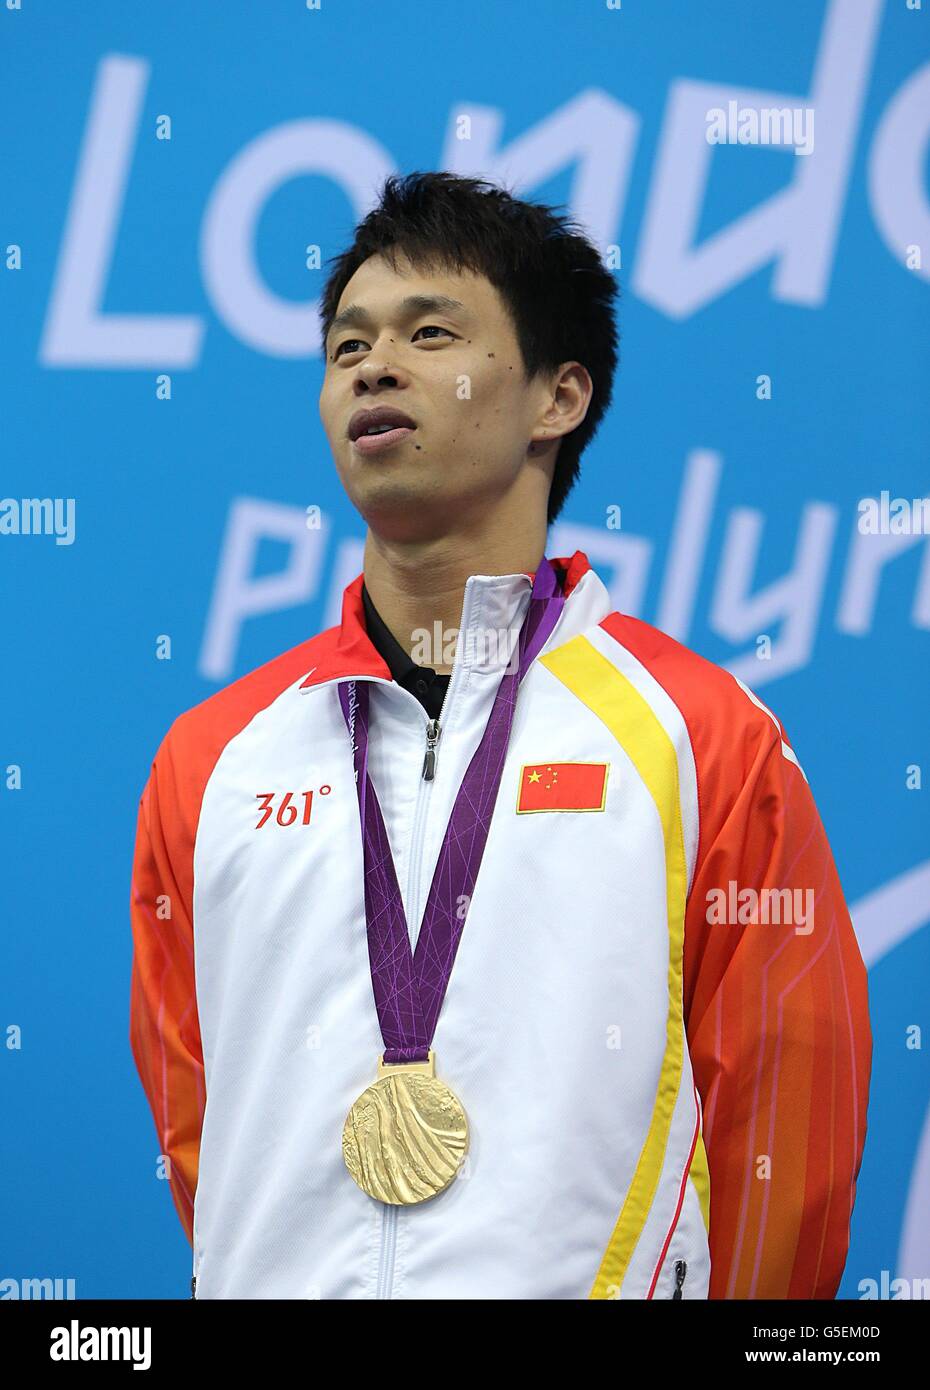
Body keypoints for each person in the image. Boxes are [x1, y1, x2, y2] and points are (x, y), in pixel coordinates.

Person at [129, 171, 871, 1300]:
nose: (374, 366)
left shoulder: (705, 741)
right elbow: (199, 1128)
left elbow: (789, 1140)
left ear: (557, 398)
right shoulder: (214, 757)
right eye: (346, 348)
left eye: (431, 333)